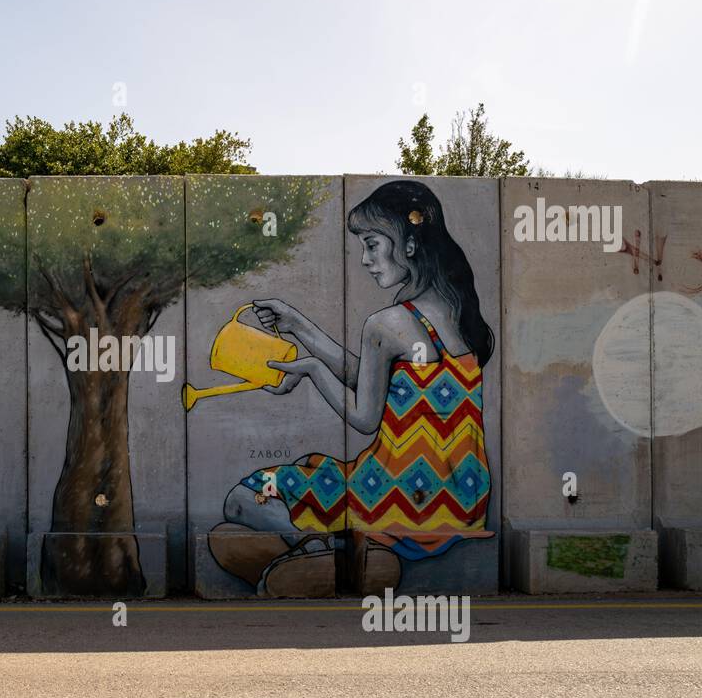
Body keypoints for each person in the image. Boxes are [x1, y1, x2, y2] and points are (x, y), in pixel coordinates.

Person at [208, 180, 495, 597]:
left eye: (373, 245)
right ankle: (322, 564)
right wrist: (299, 325)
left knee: (245, 498)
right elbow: (377, 379)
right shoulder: (458, 313)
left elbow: (364, 417)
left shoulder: (386, 324)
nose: (365, 259)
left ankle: (321, 553)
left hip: (389, 494)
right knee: (234, 531)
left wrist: (310, 369)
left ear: (409, 243)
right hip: (460, 502)